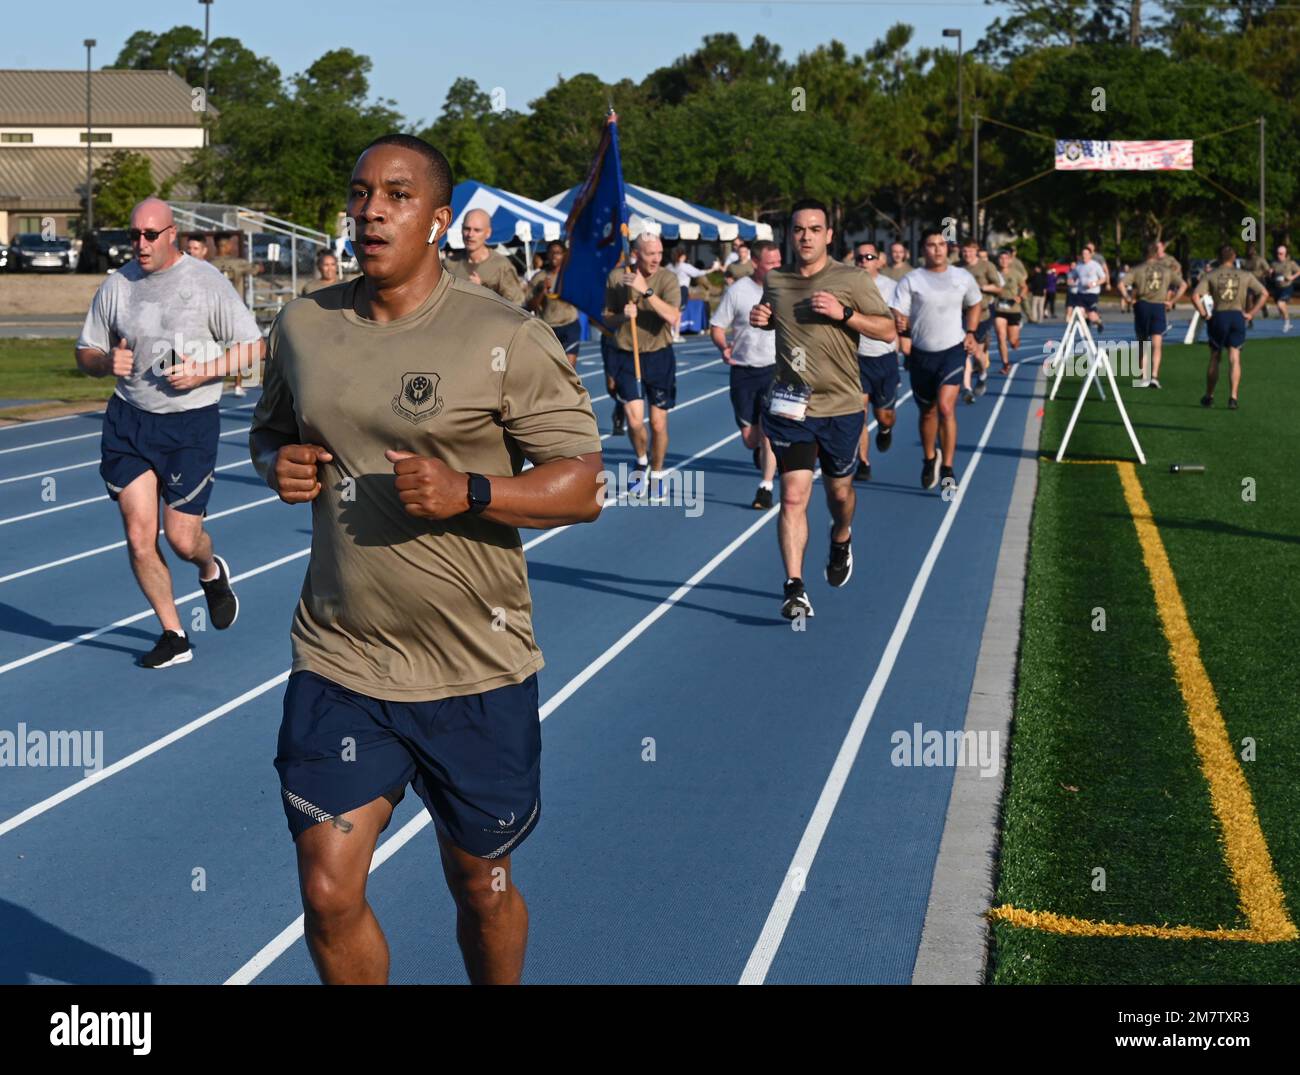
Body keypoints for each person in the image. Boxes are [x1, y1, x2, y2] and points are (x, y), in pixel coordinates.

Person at [250, 133, 604, 987]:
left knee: (480, 887)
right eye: (362, 191)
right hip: (343, 659)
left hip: (475, 670)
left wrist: (472, 493)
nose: (372, 208)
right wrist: (277, 464)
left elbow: (584, 486)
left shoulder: (506, 337)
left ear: (439, 221)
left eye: (398, 195)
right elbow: (270, 431)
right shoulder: (303, 323)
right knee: (328, 892)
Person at [74, 197, 257, 668]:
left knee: (181, 539)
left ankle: (211, 570)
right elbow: (86, 349)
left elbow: (254, 347)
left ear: (172, 233)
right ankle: (174, 635)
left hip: (189, 424)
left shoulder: (205, 281)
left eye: (150, 235)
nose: (140, 244)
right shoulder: (117, 286)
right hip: (130, 419)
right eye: (133, 234)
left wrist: (204, 372)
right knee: (139, 536)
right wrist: (102, 363)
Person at [748, 198, 894, 619]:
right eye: (798, 230)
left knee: (839, 492)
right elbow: (781, 319)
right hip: (791, 406)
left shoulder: (852, 279)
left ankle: (842, 536)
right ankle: (794, 587)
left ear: (829, 235)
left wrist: (845, 313)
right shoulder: (776, 279)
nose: (806, 237)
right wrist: (765, 320)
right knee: (793, 496)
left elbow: (886, 330)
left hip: (842, 406)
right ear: (790, 236)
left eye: (814, 229)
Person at [890, 228, 982, 494]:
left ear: (948, 248)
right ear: (923, 250)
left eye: (942, 244)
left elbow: (975, 303)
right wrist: (902, 331)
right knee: (927, 411)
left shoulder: (961, 277)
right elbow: (898, 310)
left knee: (945, 408)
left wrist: (972, 332)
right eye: (931, 245)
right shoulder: (912, 280)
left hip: (952, 350)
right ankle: (930, 458)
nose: (938, 249)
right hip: (921, 353)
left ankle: (948, 468)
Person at [602, 231, 682, 498]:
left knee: (658, 424)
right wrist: (621, 317)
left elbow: (673, 316)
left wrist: (645, 291)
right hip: (626, 355)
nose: (656, 258)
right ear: (636, 254)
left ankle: (657, 472)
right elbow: (604, 319)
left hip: (659, 355)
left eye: (659, 253)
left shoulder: (667, 278)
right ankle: (641, 460)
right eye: (650, 253)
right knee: (635, 422)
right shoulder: (616, 278)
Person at [710, 238, 782, 509]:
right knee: (750, 439)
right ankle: (761, 453)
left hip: (775, 369)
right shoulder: (738, 291)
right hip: (743, 371)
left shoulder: (786, 289)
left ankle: (765, 486)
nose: (776, 267)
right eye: (770, 263)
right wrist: (723, 346)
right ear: (755, 264)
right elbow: (717, 326)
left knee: (768, 431)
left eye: (779, 262)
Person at [1193, 244, 1267, 410]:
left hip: (1219, 315)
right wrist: (1251, 313)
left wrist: (1205, 314)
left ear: (1219, 258)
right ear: (1234, 257)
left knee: (1215, 356)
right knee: (1235, 357)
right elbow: (1264, 293)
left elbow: (1195, 296)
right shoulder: (1245, 275)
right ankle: (1233, 397)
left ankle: (1209, 395)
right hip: (1237, 316)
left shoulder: (1211, 275)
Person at [850, 240, 900, 482]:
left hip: (884, 359)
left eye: (869, 257)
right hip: (856, 358)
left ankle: (886, 427)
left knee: (884, 415)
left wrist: (905, 335)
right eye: (859, 258)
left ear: (879, 260)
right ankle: (864, 462)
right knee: (859, 413)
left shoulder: (891, 287)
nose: (863, 262)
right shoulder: (847, 285)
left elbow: (900, 318)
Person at [1119, 242, 1186, 388]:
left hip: (1142, 305)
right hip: (1158, 305)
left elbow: (1121, 284)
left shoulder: (1138, 269)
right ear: (1156, 254)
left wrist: (1128, 299)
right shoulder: (1166, 270)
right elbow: (1183, 285)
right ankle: (1154, 376)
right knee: (1157, 343)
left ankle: (1143, 377)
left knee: (1142, 342)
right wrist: (1172, 301)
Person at [441, 208, 525, 304]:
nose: (470, 234)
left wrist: (483, 290)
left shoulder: (501, 266)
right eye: (467, 229)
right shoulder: (450, 263)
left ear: (488, 233)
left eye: (477, 230)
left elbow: (516, 305)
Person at [211, 234, 259, 397]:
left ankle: (212, 381)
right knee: (240, 347)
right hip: (235, 310)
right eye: (229, 245)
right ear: (224, 246)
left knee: (212, 347)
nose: (231, 247)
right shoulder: (239, 263)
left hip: (215, 310)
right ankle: (237, 384)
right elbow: (256, 269)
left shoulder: (209, 265)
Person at [958, 239, 1001, 402]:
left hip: (982, 314)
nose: (967, 254)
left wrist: (982, 288)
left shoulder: (986, 266)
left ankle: (982, 374)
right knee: (965, 351)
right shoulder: (957, 267)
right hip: (962, 314)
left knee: (977, 353)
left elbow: (999, 287)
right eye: (964, 251)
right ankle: (967, 388)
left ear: (976, 251)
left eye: (970, 251)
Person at [527, 240, 582, 367]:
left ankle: (569, 386)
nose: (554, 256)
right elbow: (531, 307)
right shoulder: (539, 277)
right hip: (548, 328)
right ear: (547, 255)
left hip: (569, 325)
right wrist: (541, 291)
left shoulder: (571, 275)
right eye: (551, 253)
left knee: (569, 370)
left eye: (558, 253)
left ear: (564, 255)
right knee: (551, 370)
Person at [991, 249, 1028, 375]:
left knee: (1013, 343)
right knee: (1001, 336)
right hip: (999, 308)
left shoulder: (1016, 273)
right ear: (998, 260)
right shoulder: (994, 273)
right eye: (1001, 258)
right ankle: (1006, 364)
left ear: (1010, 260)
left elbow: (1024, 287)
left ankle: (1015, 338)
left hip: (1013, 309)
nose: (1003, 261)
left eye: (1006, 258)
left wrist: (1020, 297)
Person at [668, 247, 718, 341]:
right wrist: (712, 269)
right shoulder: (683, 266)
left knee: (671, 310)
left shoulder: (670, 266)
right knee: (678, 313)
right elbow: (697, 273)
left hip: (671, 289)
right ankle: (676, 334)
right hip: (682, 289)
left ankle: (671, 331)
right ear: (682, 256)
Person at [1066, 246, 1106, 335]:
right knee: (1080, 313)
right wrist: (1071, 280)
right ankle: (1085, 335)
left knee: (1092, 316)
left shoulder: (1095, 265)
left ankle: (1099, 322)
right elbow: (1073, 276)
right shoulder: (1079, 266)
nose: (1084, 256)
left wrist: (1094, 284)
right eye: (1083, 254)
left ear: (1090, 255)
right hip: (1081, 293)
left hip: (1092, 293)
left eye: (1086, 254)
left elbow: (1103, 278)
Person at [1268, 243, 1299, 332]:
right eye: (1278, 253)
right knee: (1280, 308)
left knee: (1280, 303)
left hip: (1287, 287)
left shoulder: (1290, 263)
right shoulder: (1274, 263)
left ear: (1285, 254)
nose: (1279, 255)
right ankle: (1288, 322)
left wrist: (1292, 277)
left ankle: (1287, 323)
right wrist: (1270, 272)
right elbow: (1271, 275)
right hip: (1277, 288)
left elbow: (1299, 271)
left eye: (1281, 253)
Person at [1244, 242, 1271, 318]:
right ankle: (1249, 318)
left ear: (1254, 251)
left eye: (1251, 250)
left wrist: (1266, 274)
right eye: (1248, 250)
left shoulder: (1260, 260)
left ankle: (1264, 307)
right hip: (1249, 281)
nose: (1250, 252)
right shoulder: (1245, 261)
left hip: (1259, 280)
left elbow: (1267, 269)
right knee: (1249, 298)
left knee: (1259, 298)